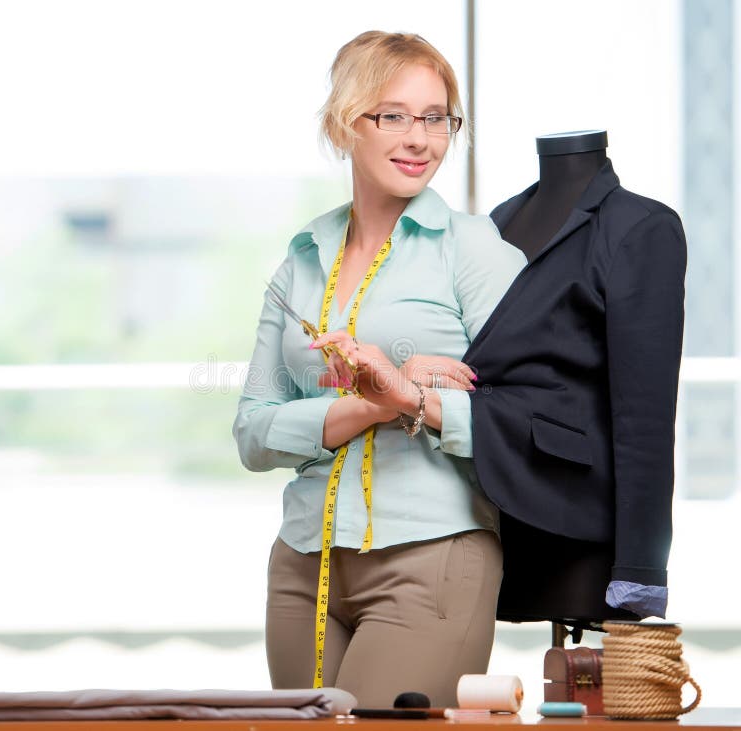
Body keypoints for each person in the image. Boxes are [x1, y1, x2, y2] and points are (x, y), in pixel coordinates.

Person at [232, 30, 525, 707]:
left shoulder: (474, 253)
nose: (419, 137)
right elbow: (251, 431)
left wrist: (418, 401)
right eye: (392, 115)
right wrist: (381, 400)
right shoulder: (302, 259)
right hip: (303, 564)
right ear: (344, 124)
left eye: (436, 117)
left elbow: (534, 419)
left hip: (432, 556)